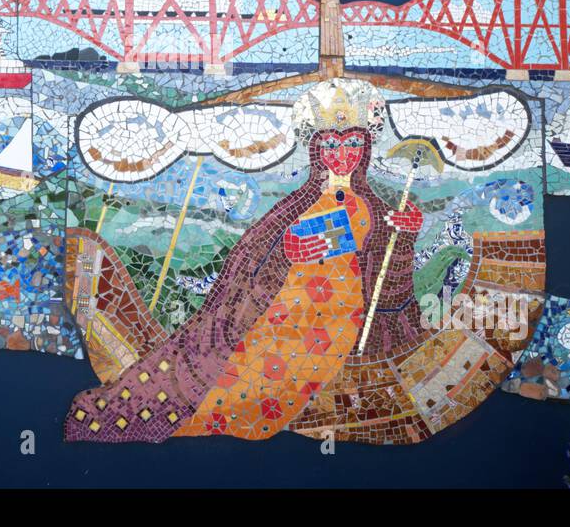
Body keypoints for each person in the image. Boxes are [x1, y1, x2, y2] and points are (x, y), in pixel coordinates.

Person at [65, 78, 426, 443]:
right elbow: (256, 254)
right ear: (317, 147)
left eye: (353, 143)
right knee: (242, 369)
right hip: (283, 311)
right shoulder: (296, 205)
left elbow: (387, 282)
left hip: (337, 320)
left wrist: (406, 232)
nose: (342, 153)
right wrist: (288, 250)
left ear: (365, 147)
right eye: (331, 143)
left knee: (280, 377)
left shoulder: (376, 209)